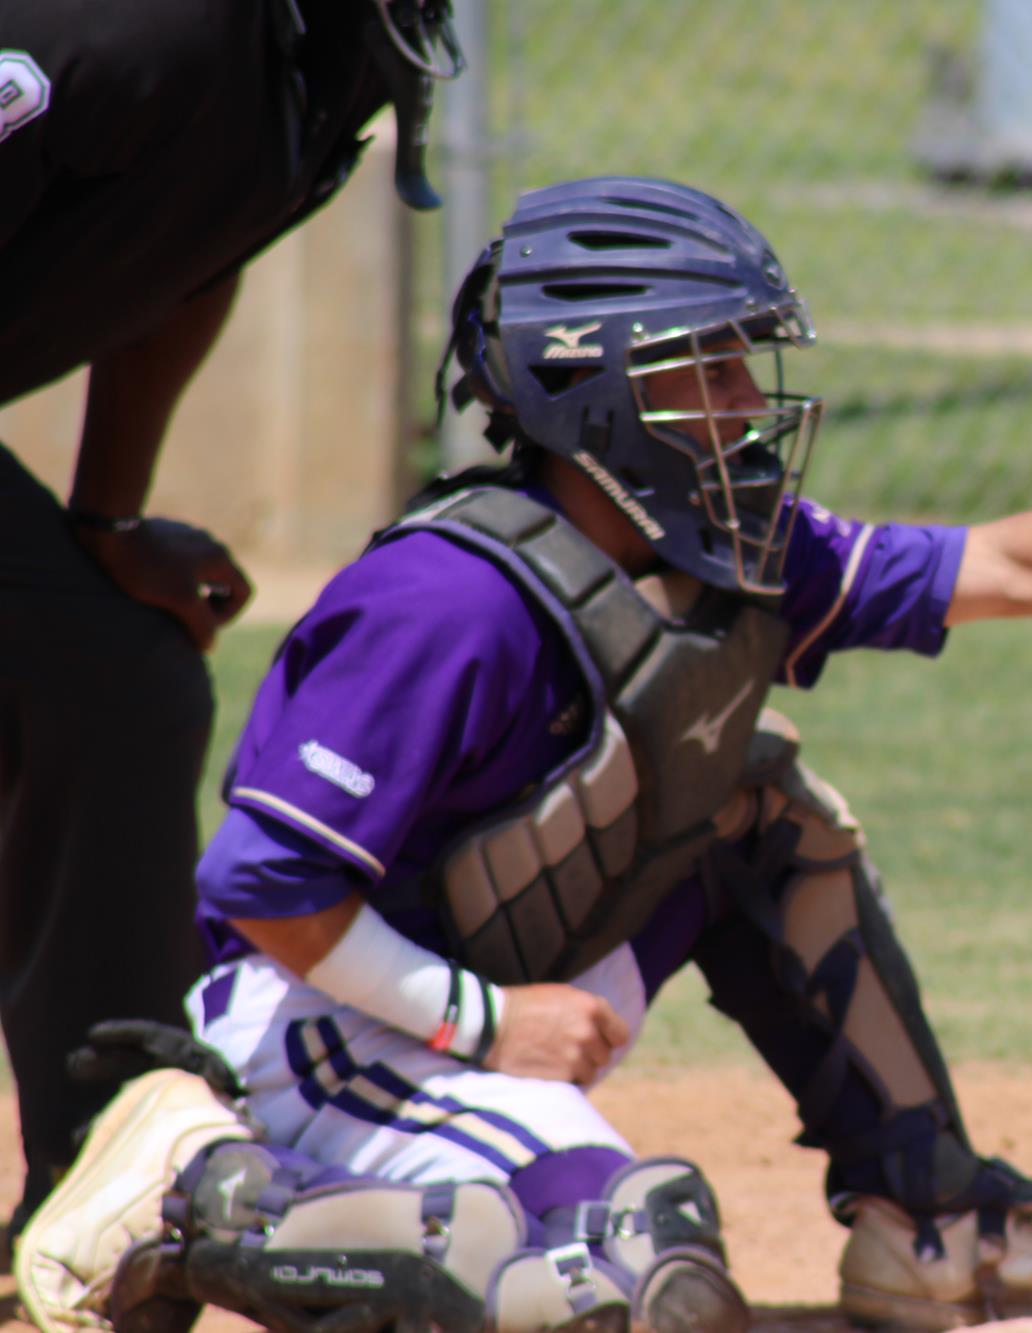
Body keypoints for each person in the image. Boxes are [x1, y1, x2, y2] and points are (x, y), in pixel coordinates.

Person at [14, 175, 1032, 1333]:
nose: (747, 402)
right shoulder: (442, 604)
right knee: (627, 1272)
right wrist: (484, 1025)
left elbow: (988, 568)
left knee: (760, 801)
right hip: (321, 1029)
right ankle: (188, 1186)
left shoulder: (731, 549)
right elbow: (264, 885)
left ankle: (933, 1224)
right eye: (710, 367)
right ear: (593, 391)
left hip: (492, 992)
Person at [0, 0, 461, 1252]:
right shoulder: (142, 30)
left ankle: (108, 1171)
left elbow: (187, 259)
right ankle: (112, 1170)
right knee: (95, 678)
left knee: (111, 676)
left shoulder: (322, 57)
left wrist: (106, 518)